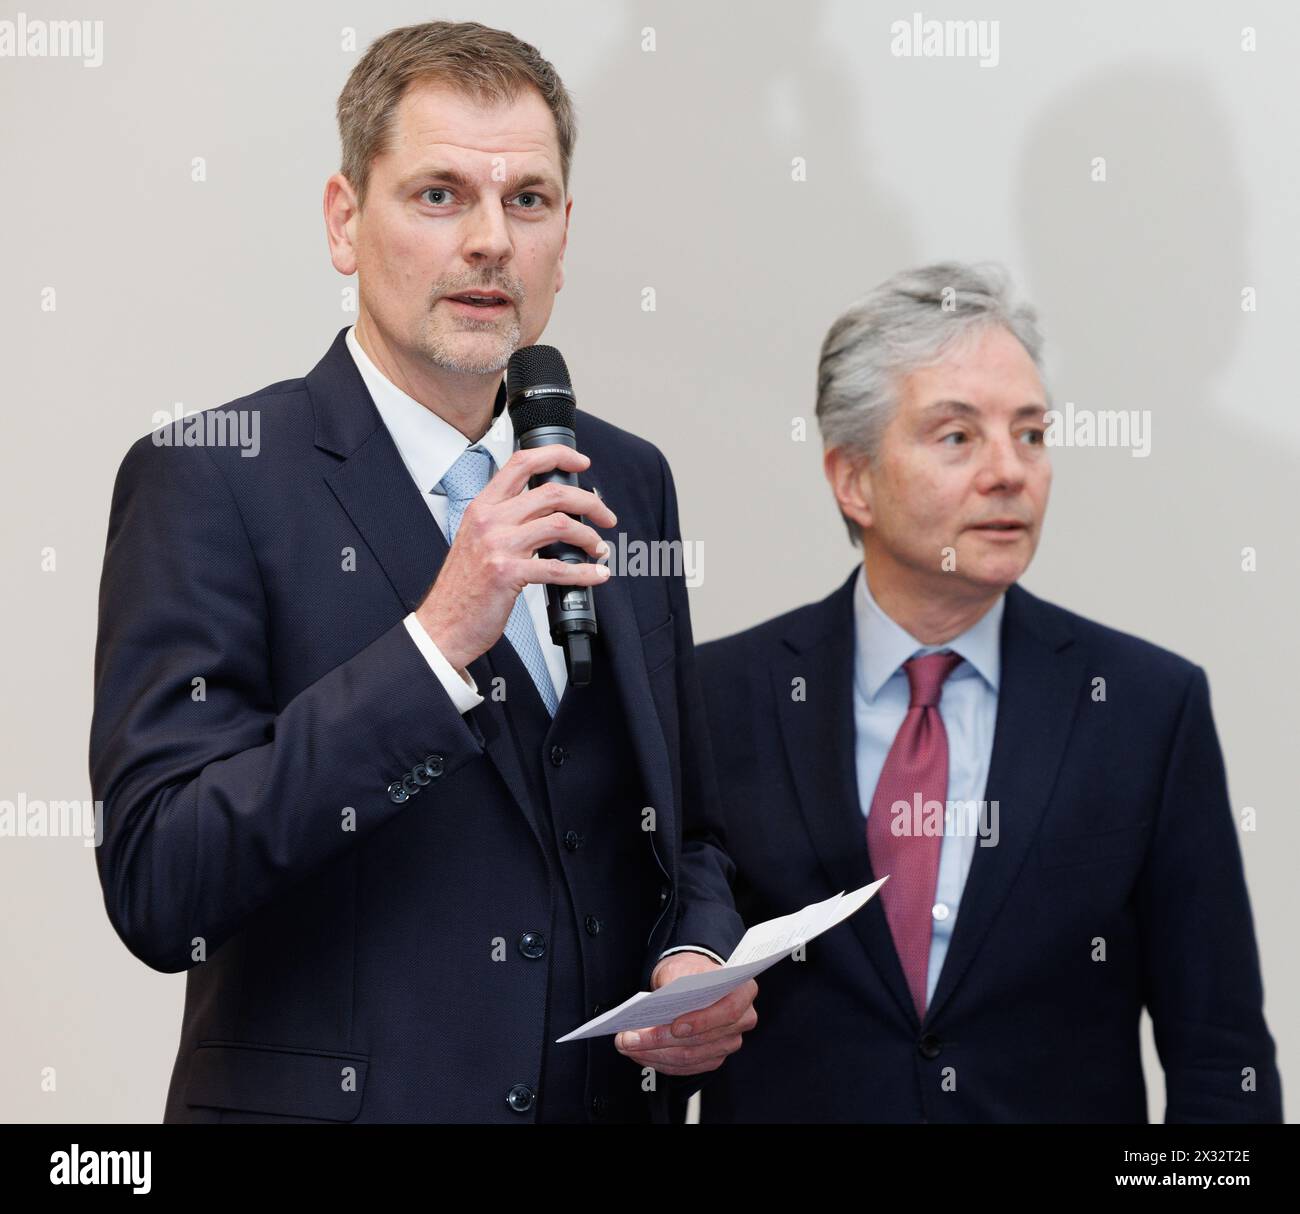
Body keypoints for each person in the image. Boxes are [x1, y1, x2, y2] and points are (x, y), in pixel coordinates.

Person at [89, 19, 755, 1125]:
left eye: (527, 201)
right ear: (346, 222)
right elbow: (163, 885)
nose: (490, 240)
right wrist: (437, 638)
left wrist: (694, 951)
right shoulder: (210, 481)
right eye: (440, 195)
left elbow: (687, 828)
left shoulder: (625, 476)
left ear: (563, 233)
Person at [691, 262, 1281, 1122]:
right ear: (853, 478)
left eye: (1032, 435)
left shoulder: (1147, 708)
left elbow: (1220, 1054)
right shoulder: (720, 698)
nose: (1010, 472)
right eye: (958, 437)